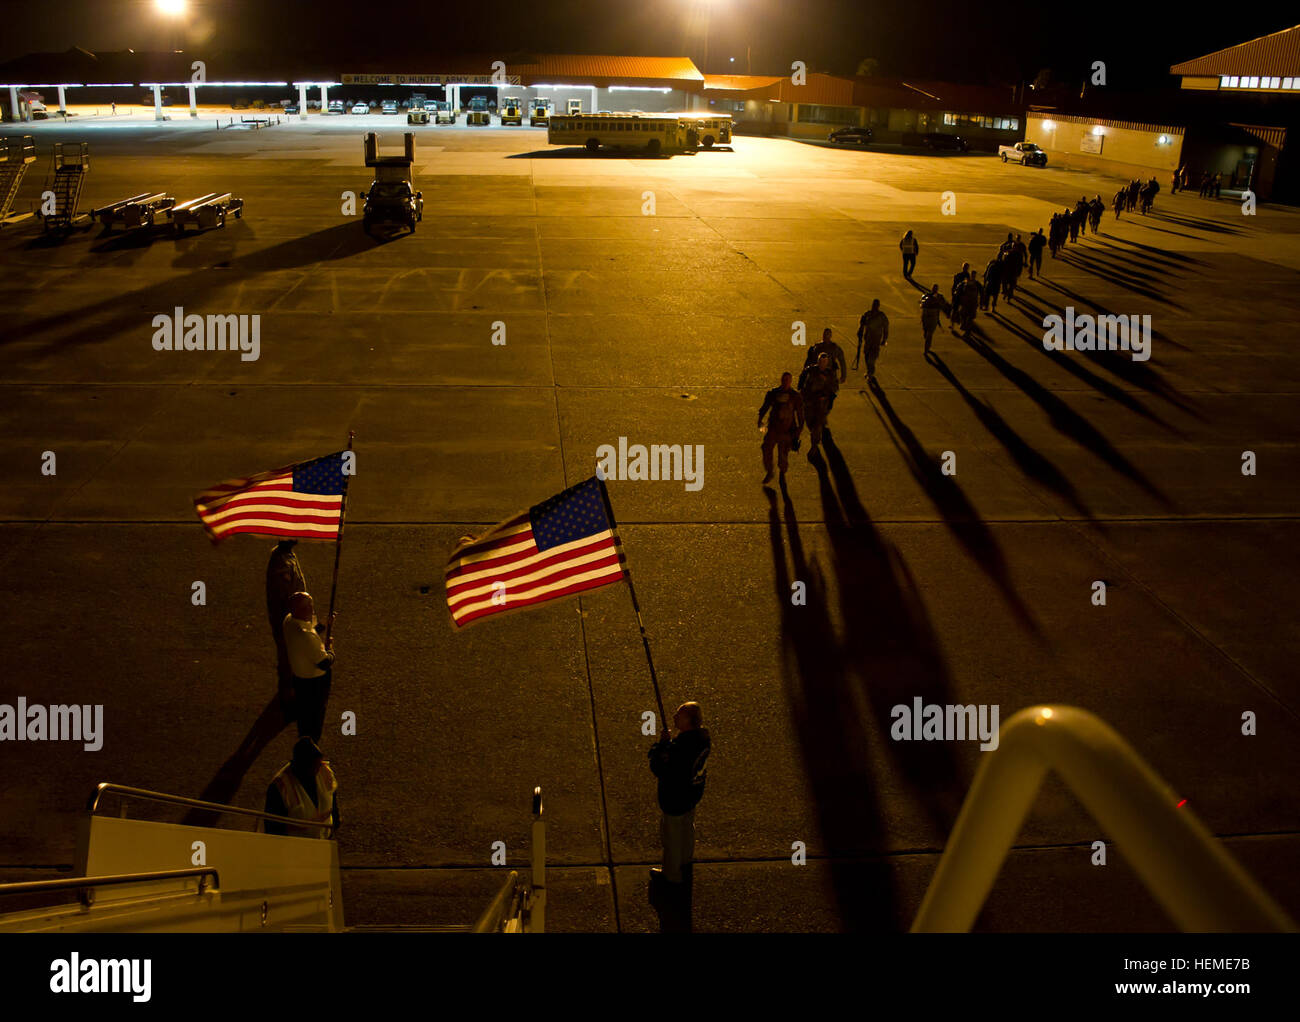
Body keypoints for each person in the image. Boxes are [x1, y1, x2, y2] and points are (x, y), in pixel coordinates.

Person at [648, 702, 711, 892]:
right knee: (687, 828)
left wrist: (663, 745)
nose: (674, 717)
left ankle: (671, 875)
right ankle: (685, 860)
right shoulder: (702, 739)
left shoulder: (680, 747)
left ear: (689, 720)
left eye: (679, 715)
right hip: (692, 793)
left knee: (672, 837)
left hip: (675, 797)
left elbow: (659, 768)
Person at [282, 591, 335, 744]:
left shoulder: (289, 621)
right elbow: (324, 662)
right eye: (308, 607)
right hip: (315, 682)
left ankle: (304, 741)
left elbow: (308, 637)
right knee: (316, 716)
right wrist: (331, 650)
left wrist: (323, 625)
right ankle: (311, 747)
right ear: (299, 610)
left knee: (304, 715)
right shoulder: (306, 635)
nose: (312, 610)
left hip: (299, 679)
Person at [263, 736, 339, 837]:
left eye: (318, 764)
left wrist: (335, 822)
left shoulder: (324, 772)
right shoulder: (280, 788)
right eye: (312, 767)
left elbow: (332, 799)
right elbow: (273, 828)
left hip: (324, 840)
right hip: (295, 844)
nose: (317, 770)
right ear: (300, 765)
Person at [267, 540, 306, 718]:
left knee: (290, 657)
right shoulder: (281, 564)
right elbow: (287, 597)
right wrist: (299, 618)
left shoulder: (286, 555)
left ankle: (289, 695)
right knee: (287, 660)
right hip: (287, 620)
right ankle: (287, 700)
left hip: (292, 618)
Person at [757, 372, 805, 484]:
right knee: (766, 448)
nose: (785, 382)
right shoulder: (774, 394)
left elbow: (800, 414)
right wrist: (760, 419)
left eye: (787, 380)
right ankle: (770, 471)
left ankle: (782, 473)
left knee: (783, 454)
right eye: (784, 380)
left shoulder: (795, 396)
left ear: (790, 381)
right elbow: (765, 407)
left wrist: (799, 429)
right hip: (773, 428)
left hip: (787, 430)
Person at [799, 352, 838, 452]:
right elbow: (802, 384)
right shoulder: (810, 370)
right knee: (809, 422)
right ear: (818, 361)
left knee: (817, 425)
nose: (822, 364)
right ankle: (815, 437)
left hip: (822, 404)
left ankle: (814, 445)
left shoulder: (830, 374)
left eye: (825, 362)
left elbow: (835, 387)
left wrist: (826, 393)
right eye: (821, 361)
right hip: (810, 402)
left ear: (827, 363)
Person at [804, 328, 848, 405]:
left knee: (829, 395)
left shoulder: (834, 348)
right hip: (817, 374)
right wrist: (806, 372)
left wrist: (843, 376)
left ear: (830, 336)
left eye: (827, 334)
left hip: (830, 375)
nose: (826, 336)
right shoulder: (817, 347)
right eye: (825, 334)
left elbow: (842, 361)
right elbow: (809, 360)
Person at [856, 300, 889, 382]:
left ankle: (871, 373)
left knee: (872, 357)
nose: (874, 306)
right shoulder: (867, 314)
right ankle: (869, 371)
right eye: (874, 305)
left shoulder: (881, 316)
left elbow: (886, 328)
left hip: (876, 341)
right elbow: (861, 325)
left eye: (876, 305)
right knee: (866, 355)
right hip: (868, 339)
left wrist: (884, 339)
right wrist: (860, 334)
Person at [919, 285, 946, 353]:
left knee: (930, 333)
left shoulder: (940, 297)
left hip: (933, 316)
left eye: (935, 288)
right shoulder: (926, 296)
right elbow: (921, 303)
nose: (934, 290)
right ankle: (927, 343)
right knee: (926, 332)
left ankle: (927, 348)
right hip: (926, 315)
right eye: (934, 288)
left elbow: (943, 304)